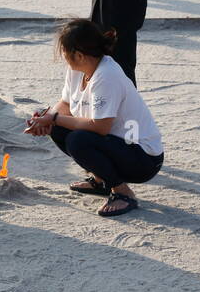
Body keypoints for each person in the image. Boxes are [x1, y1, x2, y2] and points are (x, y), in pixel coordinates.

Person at [26, 20, 164, 218]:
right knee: (59, 129)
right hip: (116, 144)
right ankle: (101, 181)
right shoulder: (77, 69)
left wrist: (54, 118)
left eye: (64, 53)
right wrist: (46, 119)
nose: (63, 58)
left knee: (78, 140)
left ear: (79, 55)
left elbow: (100, 127)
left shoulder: (106, 75)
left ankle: (122, 191)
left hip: (143, 158)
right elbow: (65, 104)